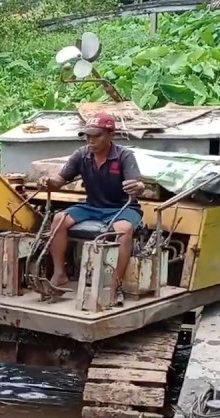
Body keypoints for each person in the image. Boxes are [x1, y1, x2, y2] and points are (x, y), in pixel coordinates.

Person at [37, 112, 145, 305]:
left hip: (122, 208)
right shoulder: (82, 155)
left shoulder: (124, 156)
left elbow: (139, 185)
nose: (91, 140)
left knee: (124, 230)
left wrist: (137, 187)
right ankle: (60, 274)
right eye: (88, 136)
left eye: (96, 136)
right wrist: (47, 182)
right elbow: (59, 182)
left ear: (111, 135)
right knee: (58, 219)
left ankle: (114, 285)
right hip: (93, 206)